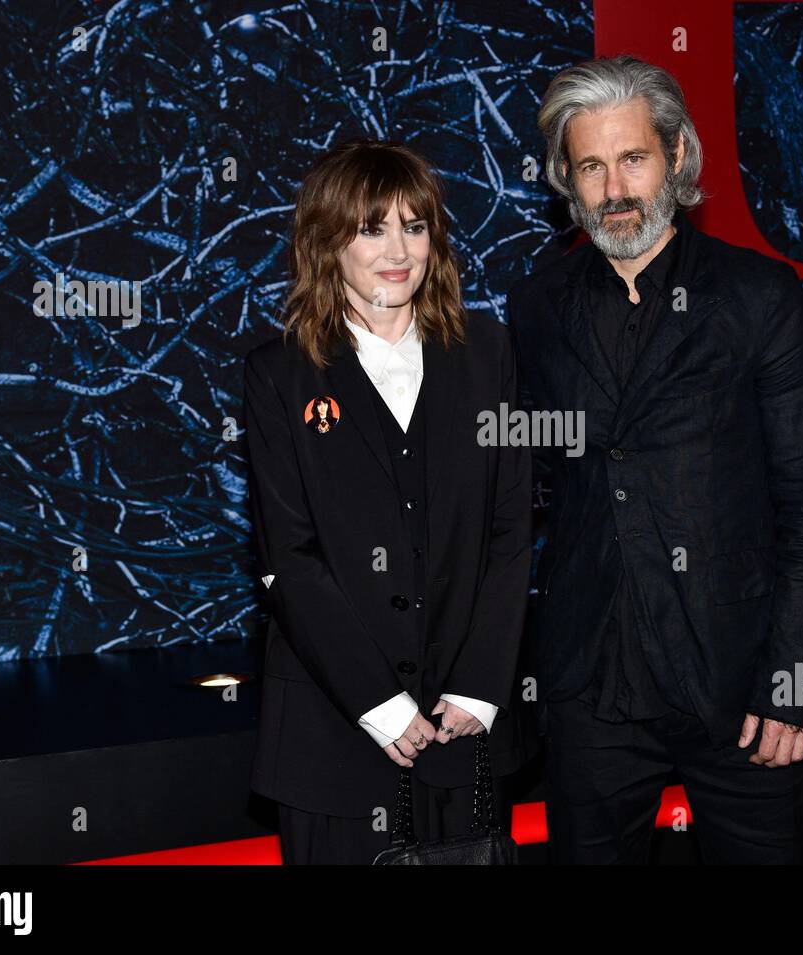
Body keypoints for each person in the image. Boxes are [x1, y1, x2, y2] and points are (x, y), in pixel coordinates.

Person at [509, 55, 803, 864]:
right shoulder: (536, 306)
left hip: (738, 687)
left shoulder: (759, 298)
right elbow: (519, 485)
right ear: (565, 177)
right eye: (591, 165)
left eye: (634, 159)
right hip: (592, 685)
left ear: (679, 157)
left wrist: (793, 683)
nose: (615, 189)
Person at [243, 139, 538, 864]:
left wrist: (480, 687)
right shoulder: (278, 375)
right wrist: (379, 702)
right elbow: (292, 558)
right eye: (371, 228)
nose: (397, 249)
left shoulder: (489, 352)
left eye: (415, 225)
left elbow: (511, 532)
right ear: (326, 242)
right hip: (332, 740)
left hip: (464, 728)